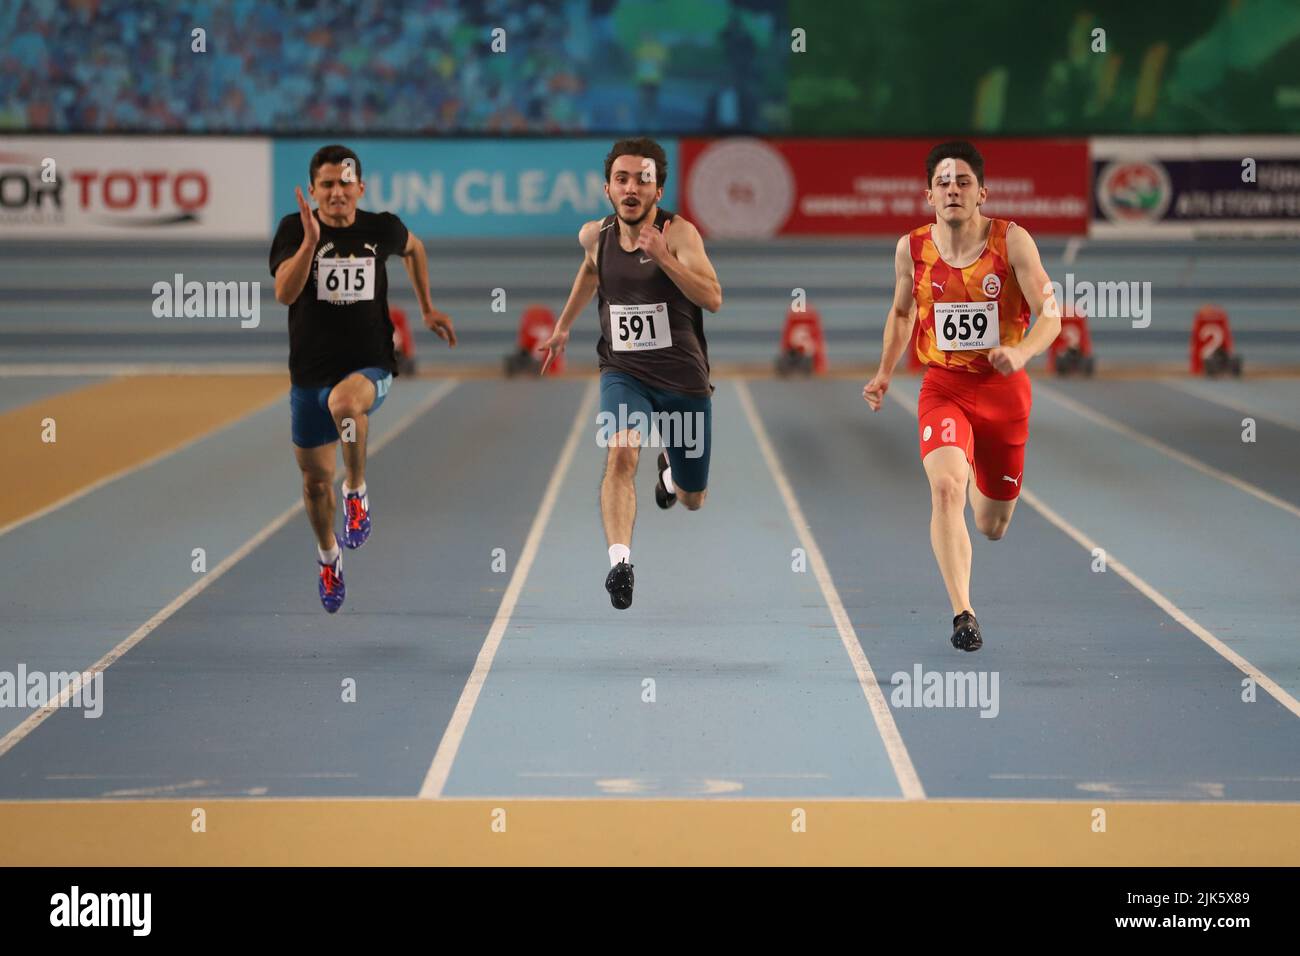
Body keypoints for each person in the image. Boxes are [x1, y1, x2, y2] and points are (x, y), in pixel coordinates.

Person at [863, 141, 1062, 651]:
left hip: (1004, 391)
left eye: (964, 182)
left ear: (982, 193)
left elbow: (1052, 312)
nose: (953, 189)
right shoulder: (911, 249)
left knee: (991, 524)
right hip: (943, 388)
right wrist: (885, 371)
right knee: (947, 487)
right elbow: (903, 313)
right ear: (929, 194)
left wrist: (1021, 354)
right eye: (944, 182)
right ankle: (963, 613)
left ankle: (979, 469)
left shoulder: (1012, 241)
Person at [269, 144, 457, 613]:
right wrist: (311, 244)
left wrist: (426, 306)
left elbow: (415, 248)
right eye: (327, 185)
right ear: (313, 191)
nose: (337, 192)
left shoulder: (382, 228)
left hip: (370, 364)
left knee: (345, 405)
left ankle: (356, 491)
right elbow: (284, 293)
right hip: (308, 374)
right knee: (314, 484)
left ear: (360, 188)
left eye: (344, 183)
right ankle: (328, 556)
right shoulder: (294, 230)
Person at [540, 137, 723, 610]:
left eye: (643, 179)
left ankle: (669, 477)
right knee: (621, 452)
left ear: (658, 190)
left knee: (692, 498)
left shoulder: (680, 234)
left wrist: (663, 257)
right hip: (623, 371)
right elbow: (589, 271)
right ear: (608, 188)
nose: (631, 188)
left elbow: (713, 298)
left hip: (684, 380)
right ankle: (621, 564)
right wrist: (562, 328)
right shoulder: (594, 236)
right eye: (622, 179)